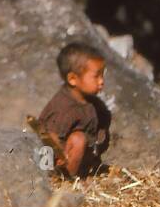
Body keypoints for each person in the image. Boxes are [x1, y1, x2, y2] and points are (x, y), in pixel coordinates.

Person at [37, 42, 112, 177]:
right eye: (96, 76)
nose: (101, 81)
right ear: (73, 79)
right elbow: (47, 139)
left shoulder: (92, 102)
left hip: (84, 160)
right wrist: (47, 173)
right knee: (78, 139)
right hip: (57, 165)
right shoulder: (63, 109)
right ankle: (67, 181)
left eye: (102, 75)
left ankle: (83, 173)